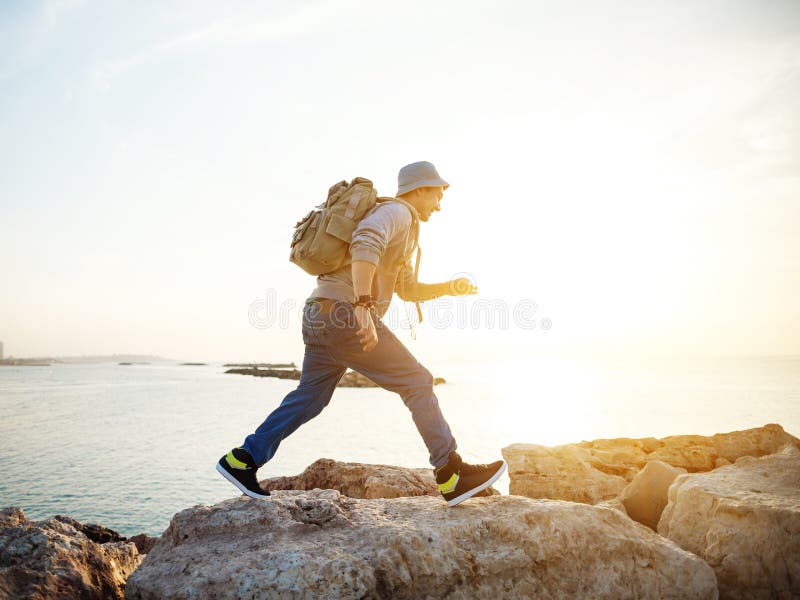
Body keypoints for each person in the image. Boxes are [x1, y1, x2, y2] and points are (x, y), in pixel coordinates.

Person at [217, 161, 506, 506]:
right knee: (417, 381)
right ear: (421, 189)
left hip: (319, 313)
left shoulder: (400, 223)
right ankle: (450, 473)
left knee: (311, 397)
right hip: (344, 315)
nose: (440, 204)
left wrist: (449, 288)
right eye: (438, 194)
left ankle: (242, 460)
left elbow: (407, 289)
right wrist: (363, 306)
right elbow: (364, 242)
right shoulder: (398, 212)